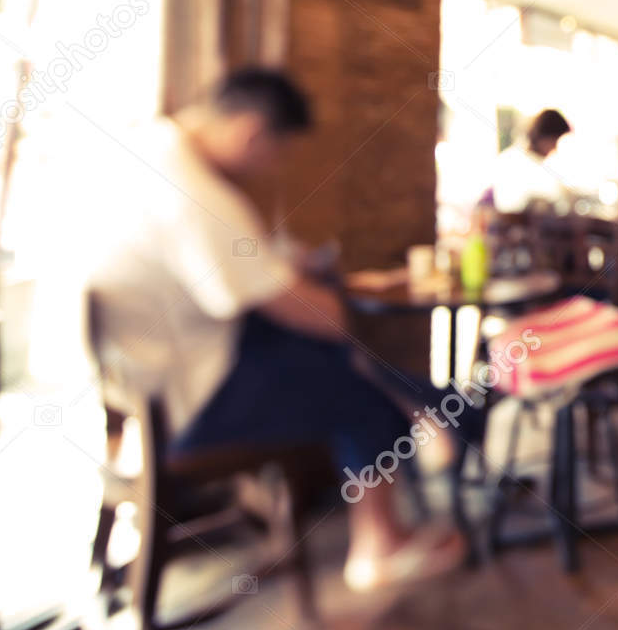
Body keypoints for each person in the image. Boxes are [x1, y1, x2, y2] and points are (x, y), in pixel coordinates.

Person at [82, 68, 464, 591]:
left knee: (324, 352)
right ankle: (384, 535)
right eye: (277, 151)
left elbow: (246, 276)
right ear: (252, 133)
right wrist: (343, 312)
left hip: (144, 381)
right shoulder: (192, 190)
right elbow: (292, 305)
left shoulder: (150, 149)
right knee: (349, 383)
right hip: (181, 404)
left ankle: (424, 409)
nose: (273, 165)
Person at [483, 108, 572, 214]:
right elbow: (511, 208)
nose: (554, 148)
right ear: (543, 137)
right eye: (554, 141)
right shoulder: (513, 161)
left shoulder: (542, 163)